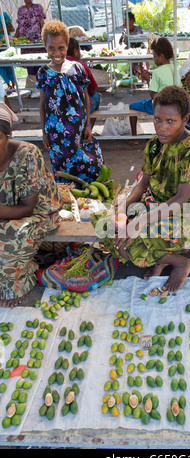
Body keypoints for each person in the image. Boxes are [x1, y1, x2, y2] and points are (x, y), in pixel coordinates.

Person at [93, 86, 190, 293]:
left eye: (171, 121)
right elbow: (143, 183)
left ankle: (180, 262)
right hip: (155, 205)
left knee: (131, 244)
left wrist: (139, 222)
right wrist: (123, 208)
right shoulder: (154, 144)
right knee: (104, 224)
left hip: (188, 213)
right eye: (158, 119)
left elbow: (181, 199)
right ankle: (161, 258)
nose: (162, 128)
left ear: (185, 119)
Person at [0, 103, 62, 308]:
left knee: (12, 235)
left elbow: (27, 208)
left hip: (38, 213)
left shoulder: (28, 154)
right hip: (5, 212)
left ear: (8, 135)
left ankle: (18, 282)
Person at [36, 20, 104, 185]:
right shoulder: (44, 73)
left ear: (67, 45)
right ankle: (69, 196)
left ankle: (89, 192)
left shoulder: (77, 69)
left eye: (61, 47)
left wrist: (88, 125)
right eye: (51, 48)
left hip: (77, 128)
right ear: (45, 46)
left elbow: (86, 98)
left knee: (90, 162)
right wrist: (44, 132)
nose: (56, 52)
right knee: (62, 167)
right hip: (55, 132)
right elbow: (43, 104)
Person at [129, 37, 177, 142]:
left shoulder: (157, 72)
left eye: (154, 56)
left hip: (160, 105)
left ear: (161, 56)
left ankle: (133, 138)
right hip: (175, 104)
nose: (153, 59)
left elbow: (153, 96)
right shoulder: (175, 68)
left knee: (131, 107)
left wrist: (148, 80)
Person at [66, 37, 101, 129]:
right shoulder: (81, 66)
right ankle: (88, 130)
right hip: (79, 107)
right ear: (75, 51)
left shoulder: (52, 67)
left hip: (61, 107)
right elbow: (93, 90)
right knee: (96, 96)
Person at [14, 0, 46, 98]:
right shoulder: (21, 10)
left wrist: (44, 36)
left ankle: (42, 88)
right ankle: (33, 89)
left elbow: (42, 22)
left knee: (39, 63)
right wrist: (15, 37)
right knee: (30, 65)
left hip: (37, 39)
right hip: (25, 40)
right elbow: (19, 25)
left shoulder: (38, 7)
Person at [119, 11, 150, 85]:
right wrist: (123, 35)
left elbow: (139, 34)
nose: (125, 22)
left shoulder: (138, 27)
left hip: (140, 48)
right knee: (132, 63)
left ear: (131, 21)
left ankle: (145, 78)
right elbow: (121, 42)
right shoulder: (126, 31)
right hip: (131, 50)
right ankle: (134, 78)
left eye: (126, 20)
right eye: (124, 20)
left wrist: (127, 35)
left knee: (142, 64)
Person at [0, 11, 16, 89]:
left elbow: (12, 28)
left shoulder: (4, 15)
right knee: (1, 67)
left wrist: (2, 29)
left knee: (10, 65)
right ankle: (8, 85)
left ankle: (14, 83)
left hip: (6, 42)